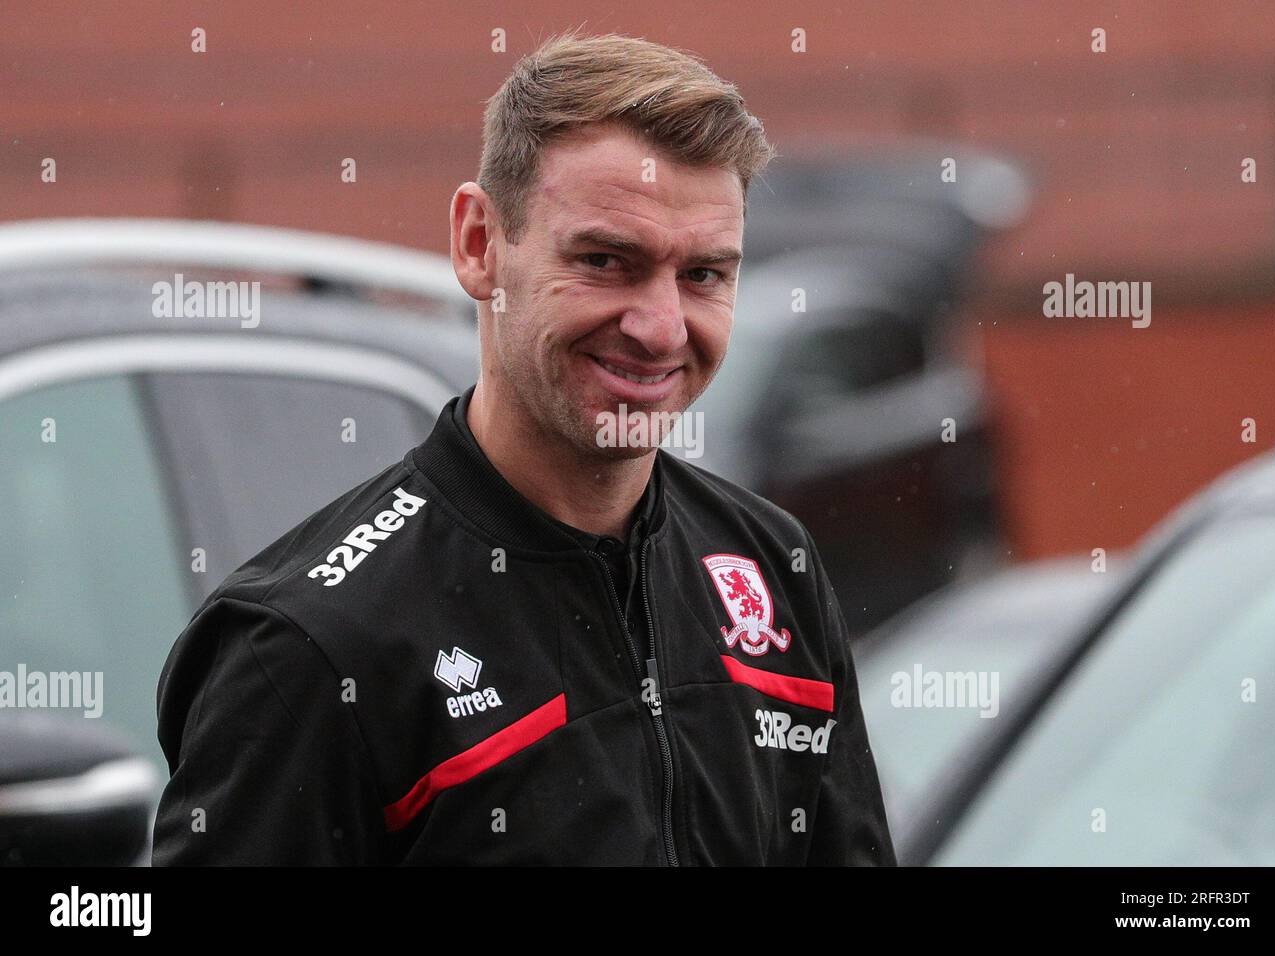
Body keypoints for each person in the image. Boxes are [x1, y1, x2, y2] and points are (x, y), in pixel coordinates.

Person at [153, 29, 896, 866]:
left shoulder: (771, 564)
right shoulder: (309, 644)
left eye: (704, 276)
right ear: (479, 244)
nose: (659, 329)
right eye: (606, 260)